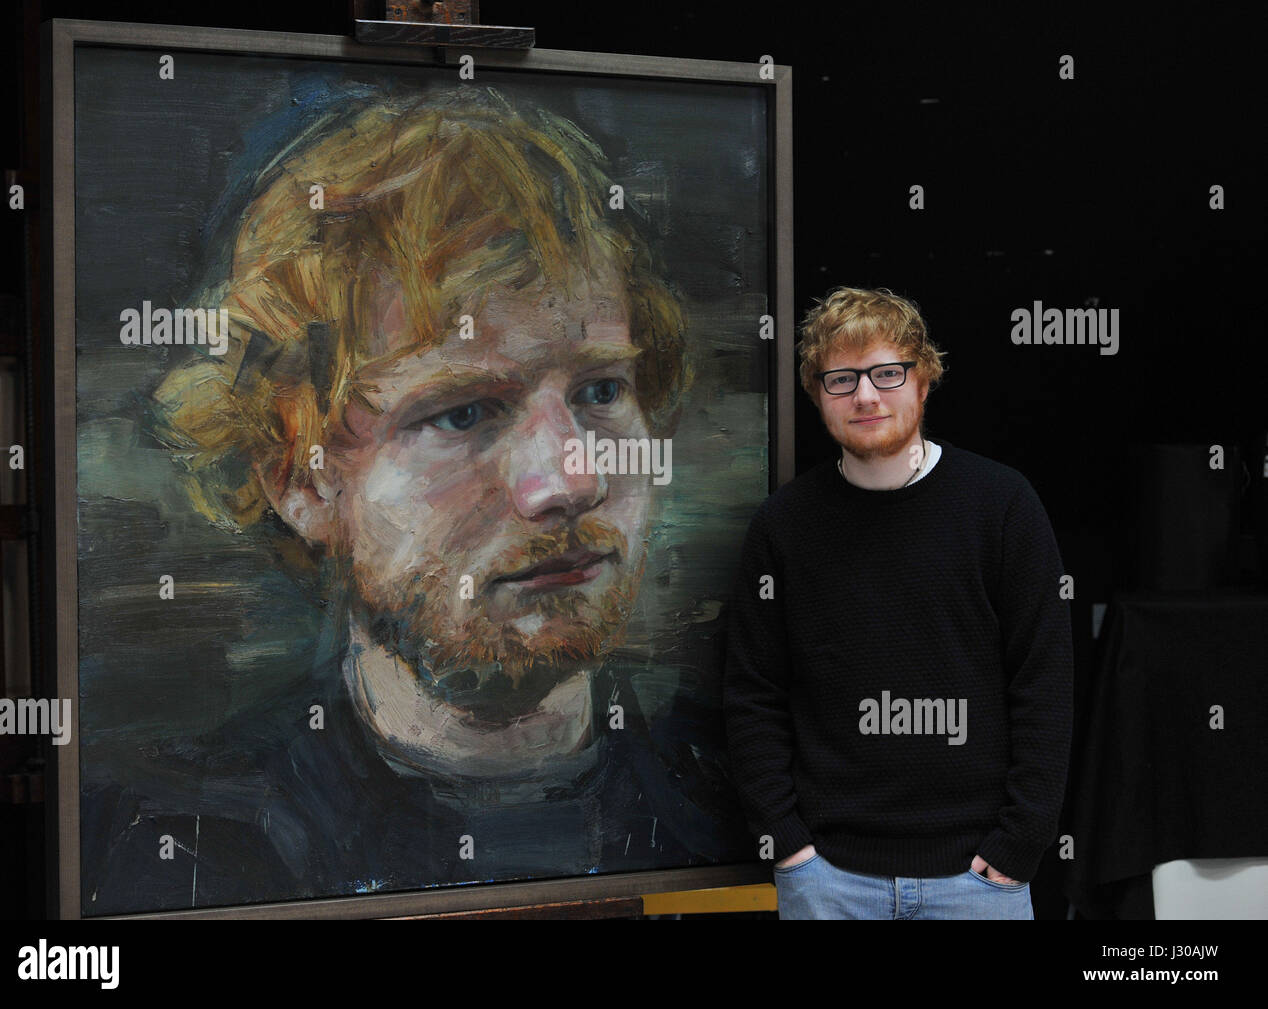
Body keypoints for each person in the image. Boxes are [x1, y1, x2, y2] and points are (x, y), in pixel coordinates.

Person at [81, 86, 749, 915]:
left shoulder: (741, 805)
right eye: (463, 412)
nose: (571, 479)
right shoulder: (173, 849)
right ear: (300, 477)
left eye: (602, 388)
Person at [722, 286, 1073, 919]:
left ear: (925, 379)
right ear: (816, 393)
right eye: (841, 379)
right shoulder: (784, 527)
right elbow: (753, 694)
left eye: (887, 372)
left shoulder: (1001, 506)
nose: (864, 394)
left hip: (977, 883)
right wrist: (788, 844)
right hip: (829, 880)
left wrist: (1023, 839)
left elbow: (1044, 682)